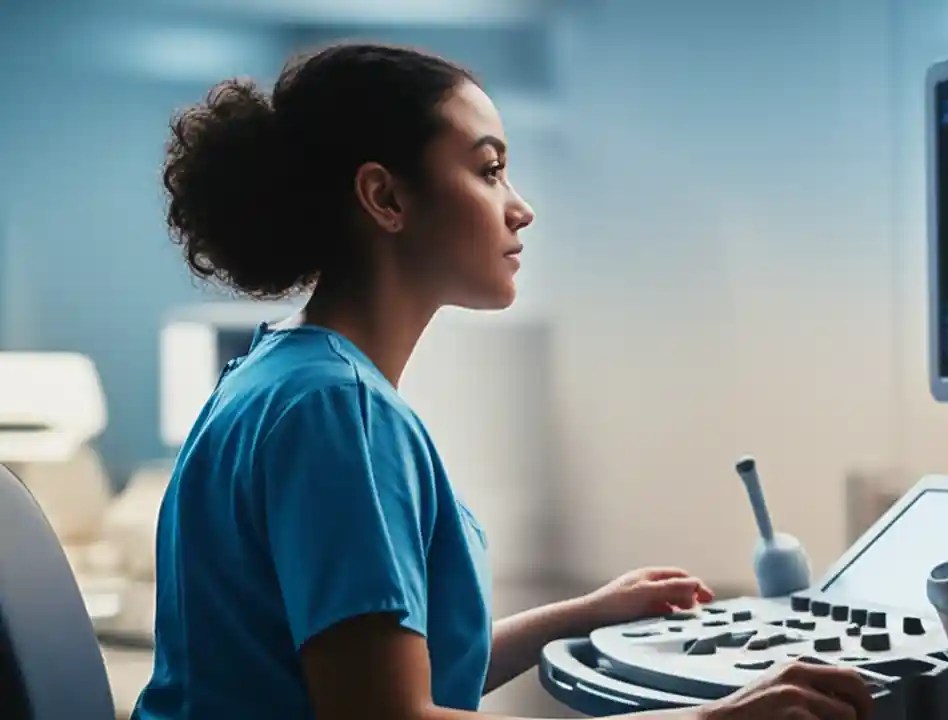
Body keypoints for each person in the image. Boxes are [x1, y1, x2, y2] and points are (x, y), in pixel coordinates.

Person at [133, 42, 874, 720]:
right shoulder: (338, 411)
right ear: (385, 199)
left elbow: (391, 675)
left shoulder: (275, 379)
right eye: (488, 170)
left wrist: (584, 613)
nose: (520, 206)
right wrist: (710, 718)